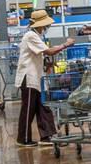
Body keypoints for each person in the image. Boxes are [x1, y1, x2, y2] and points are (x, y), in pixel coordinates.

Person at [15, 8, 71, 146]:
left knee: (43, 106)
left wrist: (48, 63)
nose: (47, 27)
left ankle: (47, 136)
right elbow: (49, 51)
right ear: (40, 25)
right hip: (29, 78)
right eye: (46, 25)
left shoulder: (35, 36)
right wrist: (66, 44)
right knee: (28, 109)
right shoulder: (30, 36)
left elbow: (39, 55)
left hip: (37, 78)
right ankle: (23, 139)